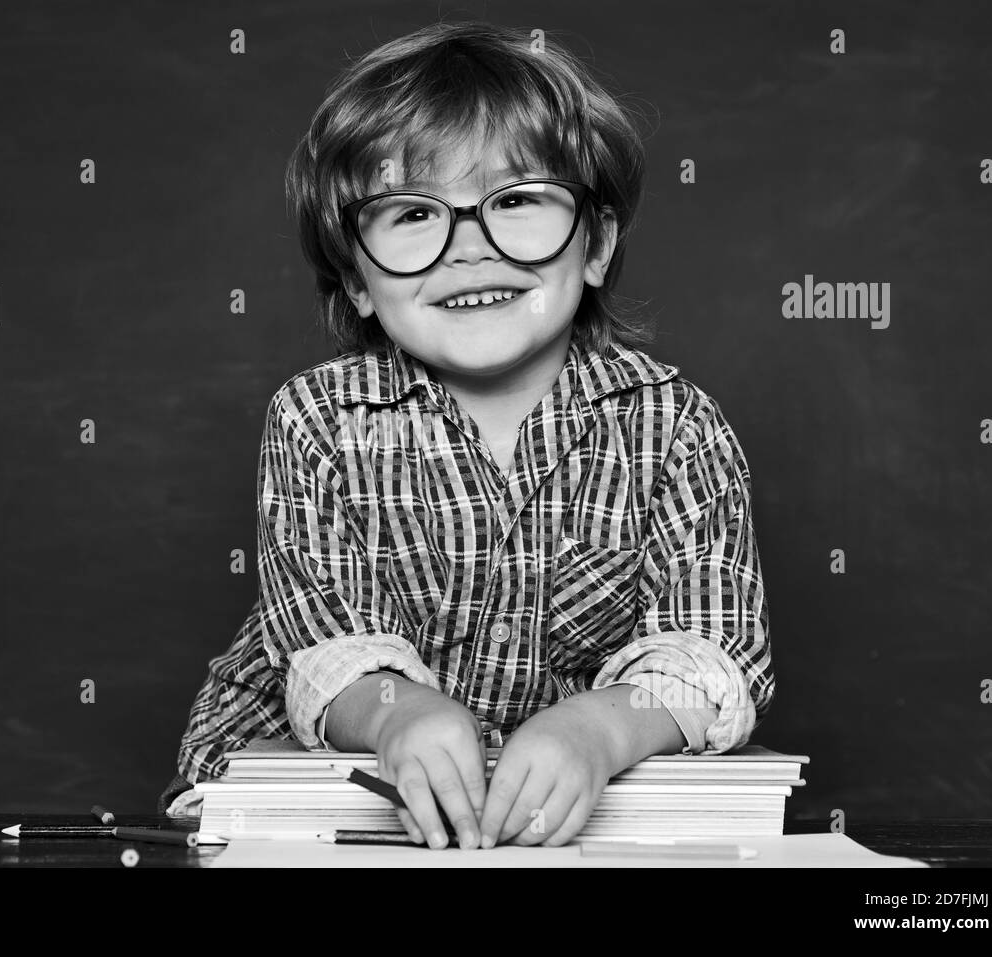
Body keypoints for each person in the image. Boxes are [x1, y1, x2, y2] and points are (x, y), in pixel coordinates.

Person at [163, 20, 774, 850]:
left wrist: (600, 728)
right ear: (358, 277)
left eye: (515, 201)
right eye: (414, 213)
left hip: (569, 818)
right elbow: (323, 639)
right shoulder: (317, 419)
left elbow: (713, 648)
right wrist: (397, 712)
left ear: (593, 242)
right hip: (327, 799)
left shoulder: (676, 428)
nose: (470, 247)